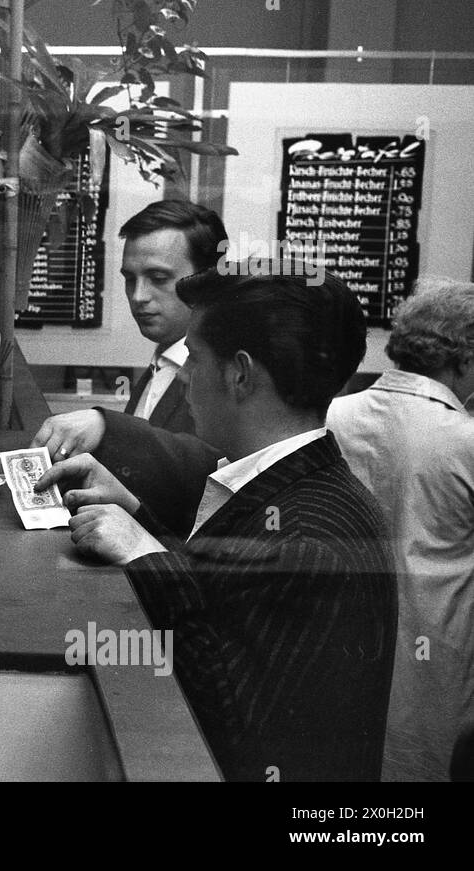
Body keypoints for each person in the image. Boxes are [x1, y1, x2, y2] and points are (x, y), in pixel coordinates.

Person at [35, 263, 397, 781]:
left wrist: (146, 556)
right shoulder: (289, 483)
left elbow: (233, 726)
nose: (183, 375)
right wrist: (136, 515)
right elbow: (225, 603)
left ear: (241, 373)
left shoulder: (311, 535)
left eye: (194, 358)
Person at [326, 277, 474, 781]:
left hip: (336, 661)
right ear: (465, 360)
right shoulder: (465, 441)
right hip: (435, 674)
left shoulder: (331, 417)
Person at [30, 201, 227, 530]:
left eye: (158, 278)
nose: (138, 296)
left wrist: (108, 426)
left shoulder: (227, 371)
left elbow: (217, 468)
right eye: (129, 278)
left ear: (208, 280)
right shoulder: (162, 360)